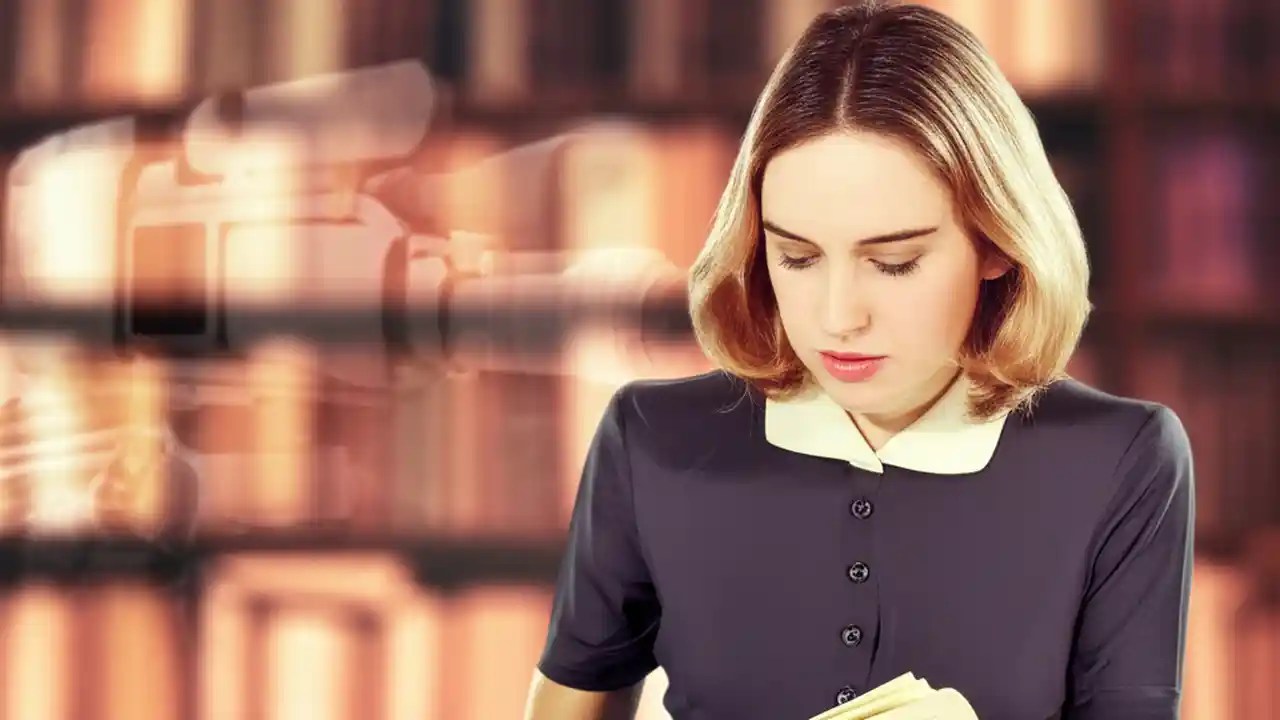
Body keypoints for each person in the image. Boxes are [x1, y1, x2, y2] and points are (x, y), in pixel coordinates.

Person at [524, 2, 1194, 719]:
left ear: (998, 244)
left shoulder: (1119, 460)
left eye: (895, 262)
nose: (838, 317)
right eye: (797, 256)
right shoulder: (652, 439)